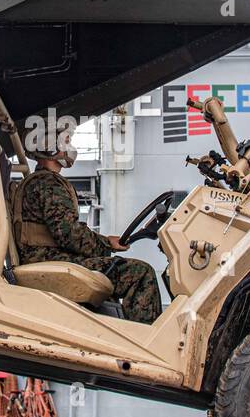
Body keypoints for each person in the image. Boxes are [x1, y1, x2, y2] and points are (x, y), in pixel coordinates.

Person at [12, 128, 163, 324]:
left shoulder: (41, 181)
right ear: (51, 148)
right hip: (49, 260)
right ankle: (148, 341)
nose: (71, 147)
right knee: (140, 273)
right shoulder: (49, 184)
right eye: (66, 141)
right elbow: (69, 234)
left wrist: (107, 242)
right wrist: (105, 245)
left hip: (46, 257)